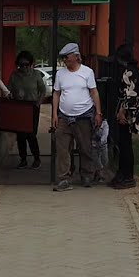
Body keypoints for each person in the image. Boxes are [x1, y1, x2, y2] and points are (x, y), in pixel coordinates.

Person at [51, 42, 102, 191]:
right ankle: (64, 178)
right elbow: (56, 93)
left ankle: (86, 175)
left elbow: (94, 92)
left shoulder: (87, 72)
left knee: (85, 147)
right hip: (64, 116)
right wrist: (54, 114)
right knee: (62, 149)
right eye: (63, 57)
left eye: (67, 57)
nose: (65, 60)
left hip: (84, 115)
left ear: (76, 56)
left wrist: (98, 113)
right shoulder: (60, 74)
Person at [109, 43, 139, 190]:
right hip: (134, 110)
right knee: (125, 144)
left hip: (128, 112)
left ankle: (127, 176)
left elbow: (129, 95)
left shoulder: (128, 72)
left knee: (125, 145)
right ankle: (124, 174)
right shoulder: (136, 70)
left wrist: (122, 111)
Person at [7, 50, 46, 169]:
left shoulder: (36, 75)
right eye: (21, 65)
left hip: (32, 106)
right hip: (19, 107)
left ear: (31, 64)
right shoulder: (14, 76)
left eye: (26, 64)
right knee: (20, 135)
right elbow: (8, 91)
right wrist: (12, 96)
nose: (23, 67)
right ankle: (23, 159)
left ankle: (36, 158)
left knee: (31, 134)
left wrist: (39, 102)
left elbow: (42, 90)